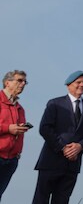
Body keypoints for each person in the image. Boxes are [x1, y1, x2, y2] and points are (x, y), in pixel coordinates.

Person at [32, 70, 83, 204]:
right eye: (78, 82)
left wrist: (79, 146)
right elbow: (45, 128)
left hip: (72, 165)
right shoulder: (55, 103)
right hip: (51, 161)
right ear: (69, 85)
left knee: (62, 200)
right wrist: (63, 148)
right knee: (41, 199)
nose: (82, 85)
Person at [0, 70, 30, 199]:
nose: (23, 84)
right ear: (7, 82)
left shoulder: (20, 108)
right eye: (19, 80)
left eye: (25, 82)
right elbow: (9, 128)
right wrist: (8, 128)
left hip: (11, 160)